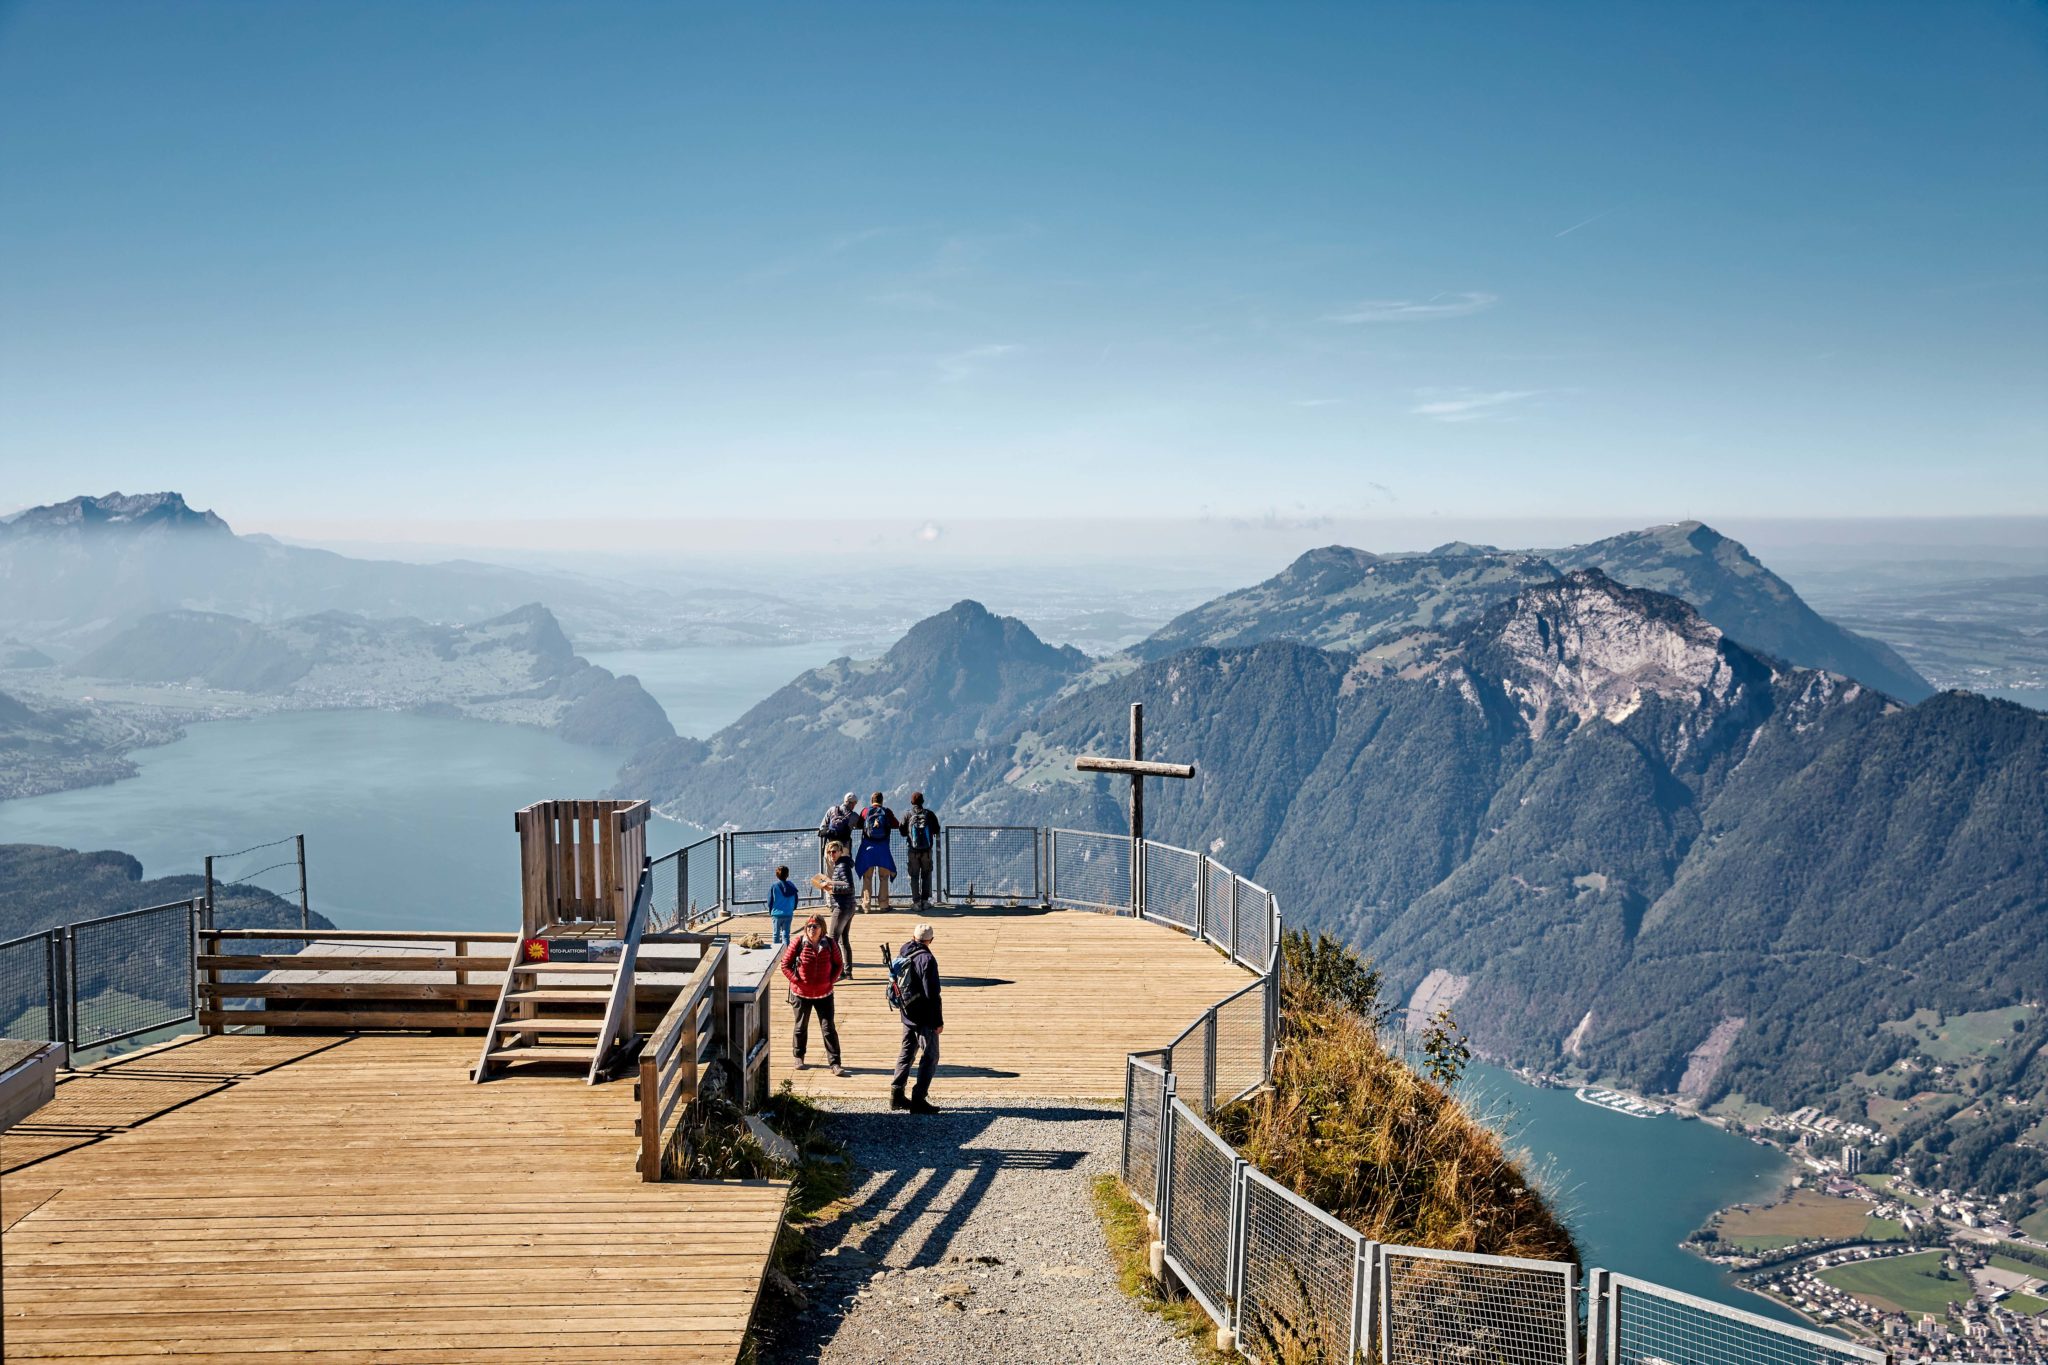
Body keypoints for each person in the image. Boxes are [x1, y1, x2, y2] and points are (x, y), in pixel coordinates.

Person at [779, 915, 846, 1076]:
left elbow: (839, 964)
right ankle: (799, 1057)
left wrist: (831, 981)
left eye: (815, 926)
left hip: (825, 994)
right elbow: (785, 964)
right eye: (809, 926)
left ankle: (835, 1063)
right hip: (801, 994)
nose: (811, 929)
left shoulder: (830, 943)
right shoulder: (798, 943)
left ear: (822, 928)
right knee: (800, 1027)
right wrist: (796, 980)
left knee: (828, 1029)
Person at [888, 923, 944, 1114]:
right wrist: (937, 1022)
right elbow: (932, 994)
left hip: (907, 1012)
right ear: (931, 941)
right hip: (924, 1018)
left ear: (913, 937)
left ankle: (896, 1096)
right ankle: (919, 1099)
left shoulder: (905, 950)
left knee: (906, 1053)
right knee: (930, 1056)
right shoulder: (927, 959)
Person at [810, 839, 858, 980]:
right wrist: (830, 882)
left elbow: (849, 887)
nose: (832, 854)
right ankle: (847, 972)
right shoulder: (842, 865)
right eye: (829, 852)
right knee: (844, 940)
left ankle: (835, 973)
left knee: (831, 940)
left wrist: (830, 888)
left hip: (842, 907)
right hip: (849, 906)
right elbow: (844, 883)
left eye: (834, 851)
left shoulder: (841, 866)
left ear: (840, 852)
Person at [855, 790, 900, 912]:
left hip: (868, 850)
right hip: (883, 850)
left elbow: (858, 824)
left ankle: (866, 906)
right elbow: (896, 824)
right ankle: (884, 905)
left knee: (867, 877)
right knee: (884, 877)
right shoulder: (886, 812)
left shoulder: (865, 811)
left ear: (871, 801)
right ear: (882, 801)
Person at [902, 792, 941, 910]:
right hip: (927, 851)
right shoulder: (929, 814)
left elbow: (902, 831)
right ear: (923, 801)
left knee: (914, 876)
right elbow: (937, 829)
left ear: (912, 802)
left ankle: (916, 902)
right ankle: (925, 901)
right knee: (926, 875)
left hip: (912, 850)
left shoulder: (907, 814)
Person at [766, 864, 799, 946]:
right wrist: (793, 908)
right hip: (788, 913)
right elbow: (796, 898)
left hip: (776, 914)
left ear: (777, 875)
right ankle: (786, 953)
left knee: (776, 934)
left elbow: (770, 901)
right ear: (787, 875)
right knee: (786, 935)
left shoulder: (774, 886)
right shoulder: (791, 885)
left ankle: (776, 952)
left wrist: (771, 911)